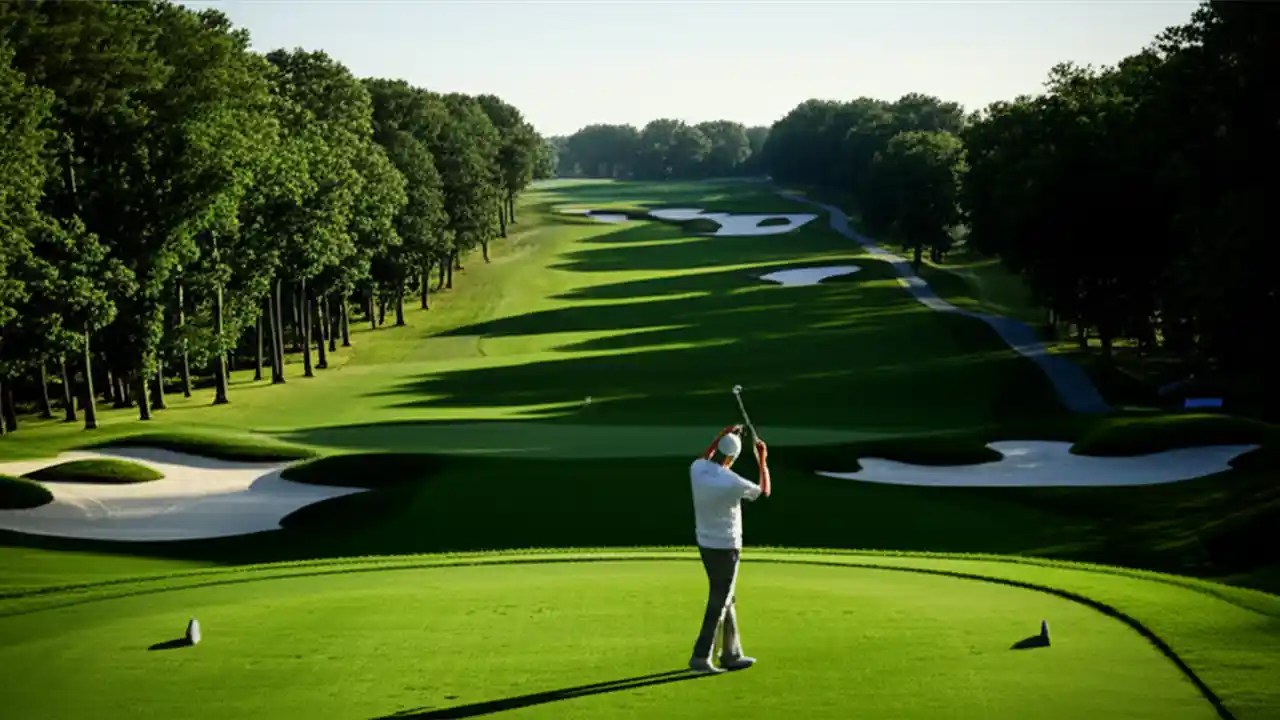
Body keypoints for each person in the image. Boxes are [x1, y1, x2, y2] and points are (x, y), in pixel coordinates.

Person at [687, 423, 771, 673]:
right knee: (719, 600)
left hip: (705, 542)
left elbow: (706, 455)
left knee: (726, 596)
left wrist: (722, 435)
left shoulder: (697, 469)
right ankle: (700, 657)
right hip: (726, 546)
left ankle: (731, 654)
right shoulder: (732, 481)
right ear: (732, 457)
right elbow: (764, 491)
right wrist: (763, 459)